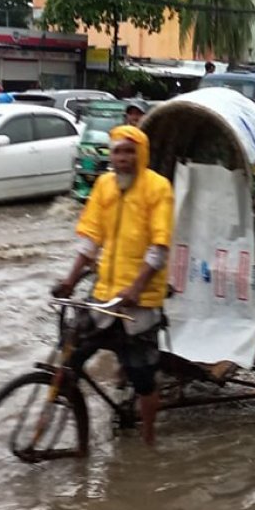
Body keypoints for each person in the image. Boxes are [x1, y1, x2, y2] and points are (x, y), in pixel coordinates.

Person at [52, 125, 174, 446]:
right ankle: (66, 421)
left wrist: (136, 288)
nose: (123, 158)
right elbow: (91, 239)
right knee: (69, 357)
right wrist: (70, 278)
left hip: (140, 301)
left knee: (144, 379)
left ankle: (148, 440)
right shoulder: (104, 186)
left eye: (130, 152)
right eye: (118, 151)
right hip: (104, 295)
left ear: (141, 154)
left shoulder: (157, 188)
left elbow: (159, 248)